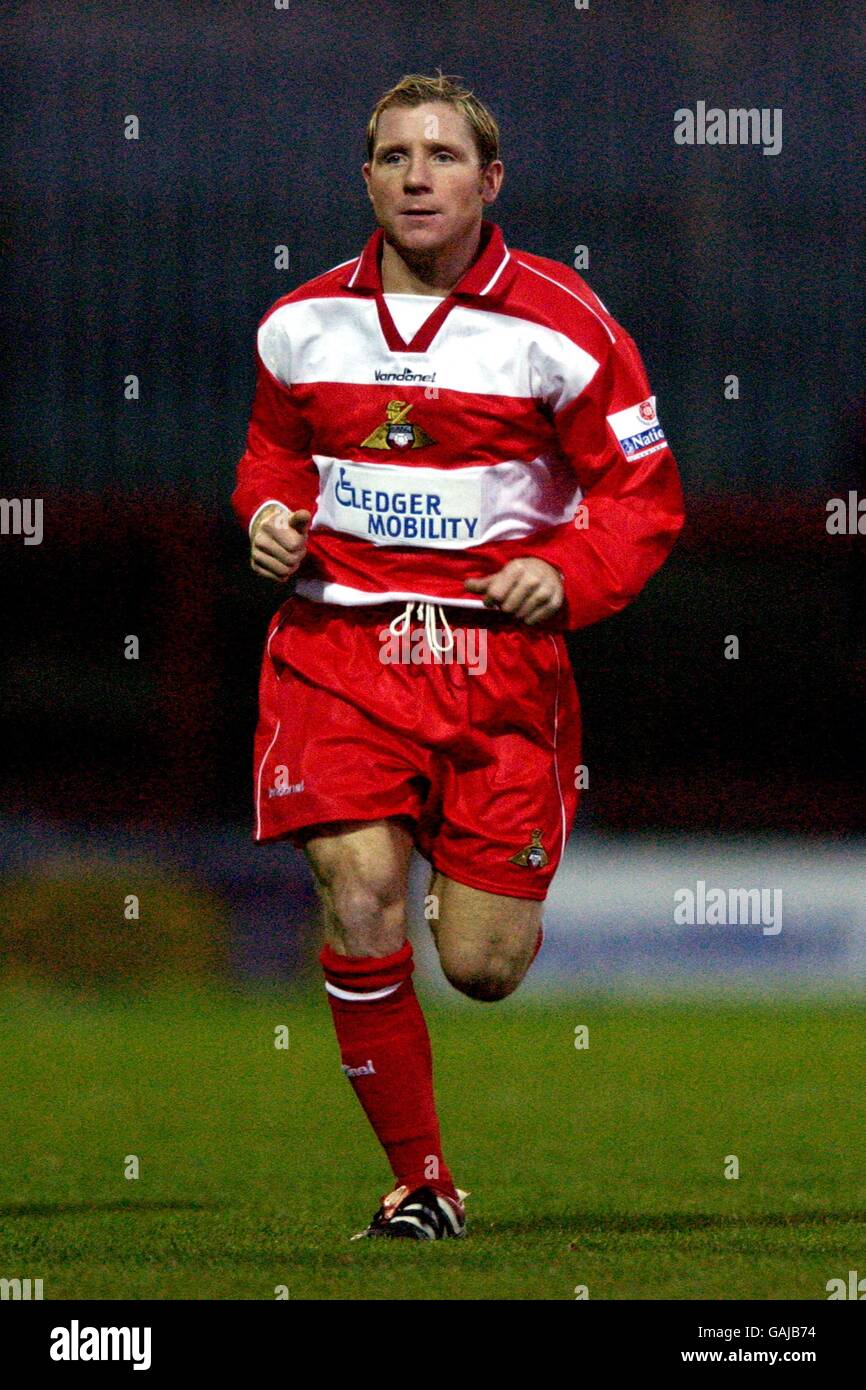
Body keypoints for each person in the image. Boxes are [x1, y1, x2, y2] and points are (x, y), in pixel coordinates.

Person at [232, 72, 685, 1241]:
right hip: (338, 650)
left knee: (482, 966)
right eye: (392, 157)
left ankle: (469, 880)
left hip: (497, 668)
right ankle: (420, 1185)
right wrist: (265, 522)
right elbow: (273, 465)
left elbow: (639, 498)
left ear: (490, 183)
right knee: (362, 894)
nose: (415, 175)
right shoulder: (298, 326)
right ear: (367, 178)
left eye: (440, 157)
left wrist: (568, 575)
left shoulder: (564, 325)